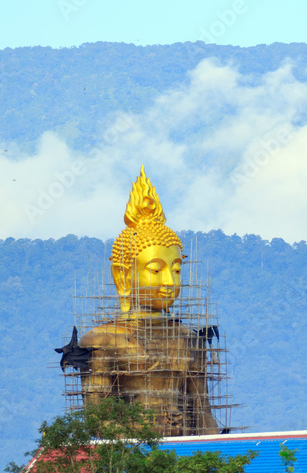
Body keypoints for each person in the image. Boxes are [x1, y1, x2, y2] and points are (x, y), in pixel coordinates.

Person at [76, 167, 219, 436]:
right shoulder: (102, 341)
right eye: (156, 270)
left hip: (186, 454)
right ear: (123, 276)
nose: (169, 282)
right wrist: (141, 445)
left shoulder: (189, 340)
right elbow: (97, 417)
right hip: (133, 457)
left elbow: (202, 412)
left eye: (176, 270)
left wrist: (215, 456)